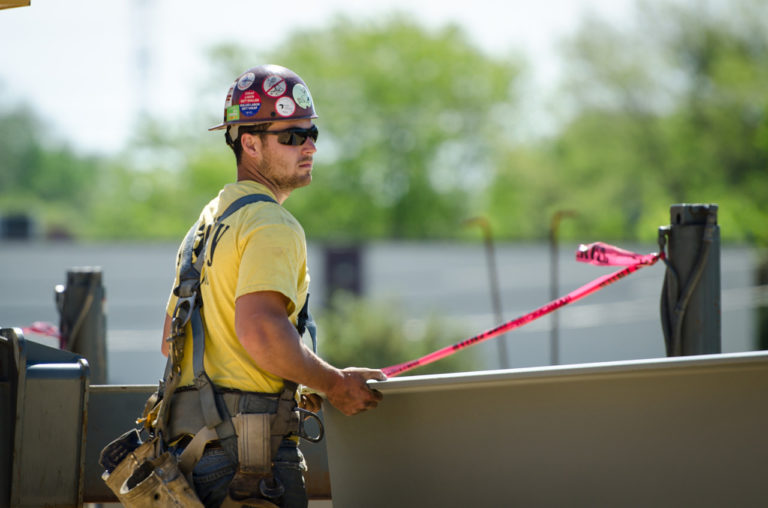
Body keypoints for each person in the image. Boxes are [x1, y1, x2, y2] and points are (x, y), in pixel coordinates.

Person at [160, 64, 385, 508]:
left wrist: (303, 382)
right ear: (250, 143)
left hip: (187, 461)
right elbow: (262, 332)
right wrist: (334, 384)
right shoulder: (270, 223)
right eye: (292, 136)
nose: (310, 147)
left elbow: (171, 340)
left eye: (312, 133)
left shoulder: (208, 224)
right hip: (250, 466)